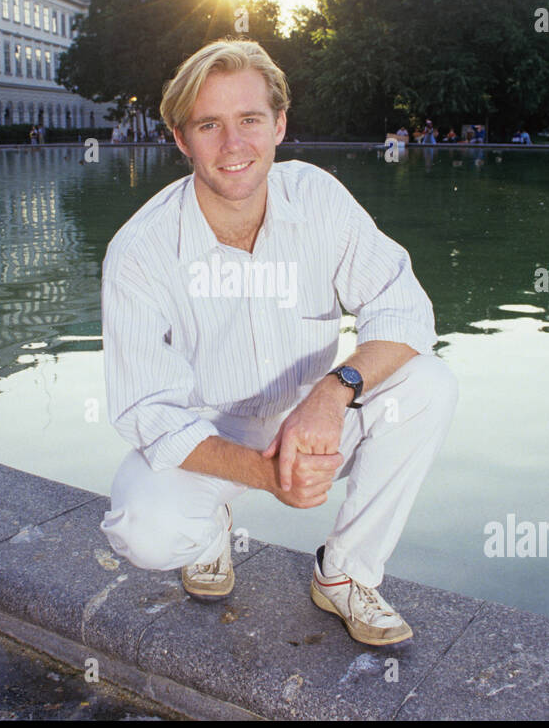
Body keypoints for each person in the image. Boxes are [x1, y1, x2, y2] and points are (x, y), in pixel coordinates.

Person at [99, 40, 458, 647]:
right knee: (143, 529)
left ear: (279, 125)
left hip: (315, 419)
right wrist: (267, 476)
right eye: (209, 125)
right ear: (181, 139)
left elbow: (403, 306)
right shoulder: (139, 251)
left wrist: (335, 389)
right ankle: (209, 530)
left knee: (429, 382)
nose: (233, 145)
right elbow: (146, 411)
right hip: (209, 434)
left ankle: (344, 573)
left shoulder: (317, 197)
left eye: (249, 121)